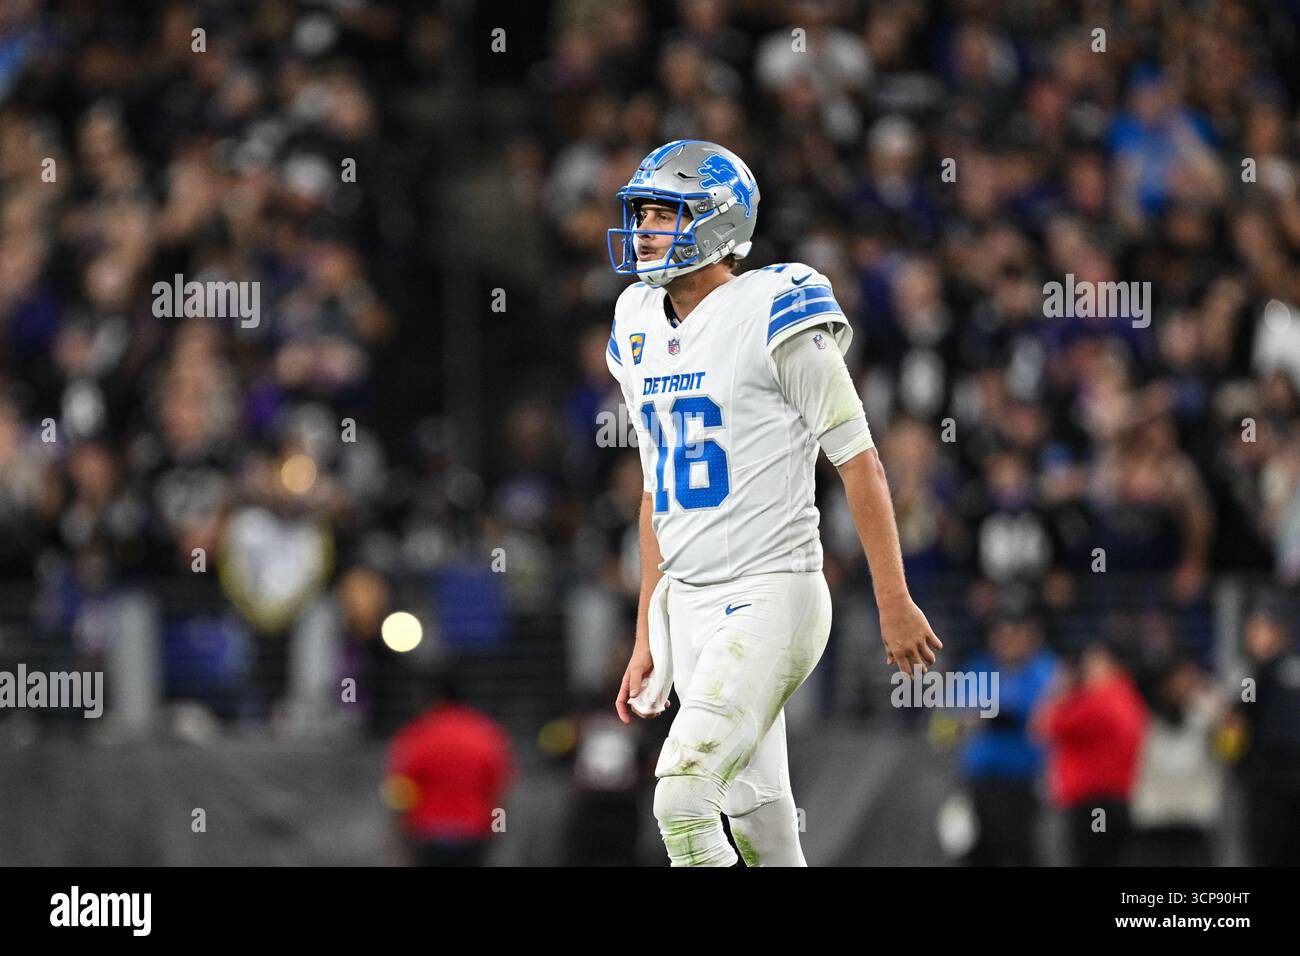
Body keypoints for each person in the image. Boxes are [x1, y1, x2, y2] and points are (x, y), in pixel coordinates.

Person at [604, 140, 942, 866]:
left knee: (683, 797)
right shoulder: (635, 319)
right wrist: (647, 632)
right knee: (763, 826)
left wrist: (894, 599)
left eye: (663, 215)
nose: (644, 232)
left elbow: (859, 461)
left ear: (718, 222)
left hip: (770, 592)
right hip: (687, 606)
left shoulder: (773, 306)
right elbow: (658, 492)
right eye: (642, 215)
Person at [385, 661, 515, 866]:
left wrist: (399, 841)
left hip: (429, 839)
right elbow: (498, 793)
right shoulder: (488, 735)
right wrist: (497, 832)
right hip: (474, 837)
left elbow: (399, 794)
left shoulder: (416, 735)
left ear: (432, 697)